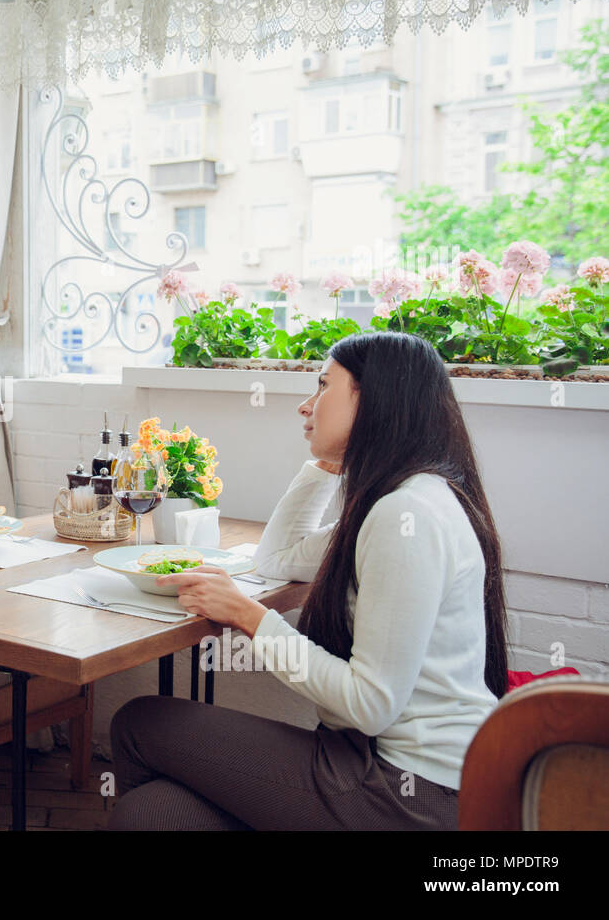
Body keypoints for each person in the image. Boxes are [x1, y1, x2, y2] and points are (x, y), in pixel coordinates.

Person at [108, 331, 509, 830]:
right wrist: (325, 463)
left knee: (141, 723)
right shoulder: (393, 499)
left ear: (373, 399)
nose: (306, 405)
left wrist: (249, 616)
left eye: (323, 386)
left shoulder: (405, 514)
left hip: (407, 791)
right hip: (364, 762)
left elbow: (370, 706)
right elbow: (275, 559)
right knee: (146, 814)